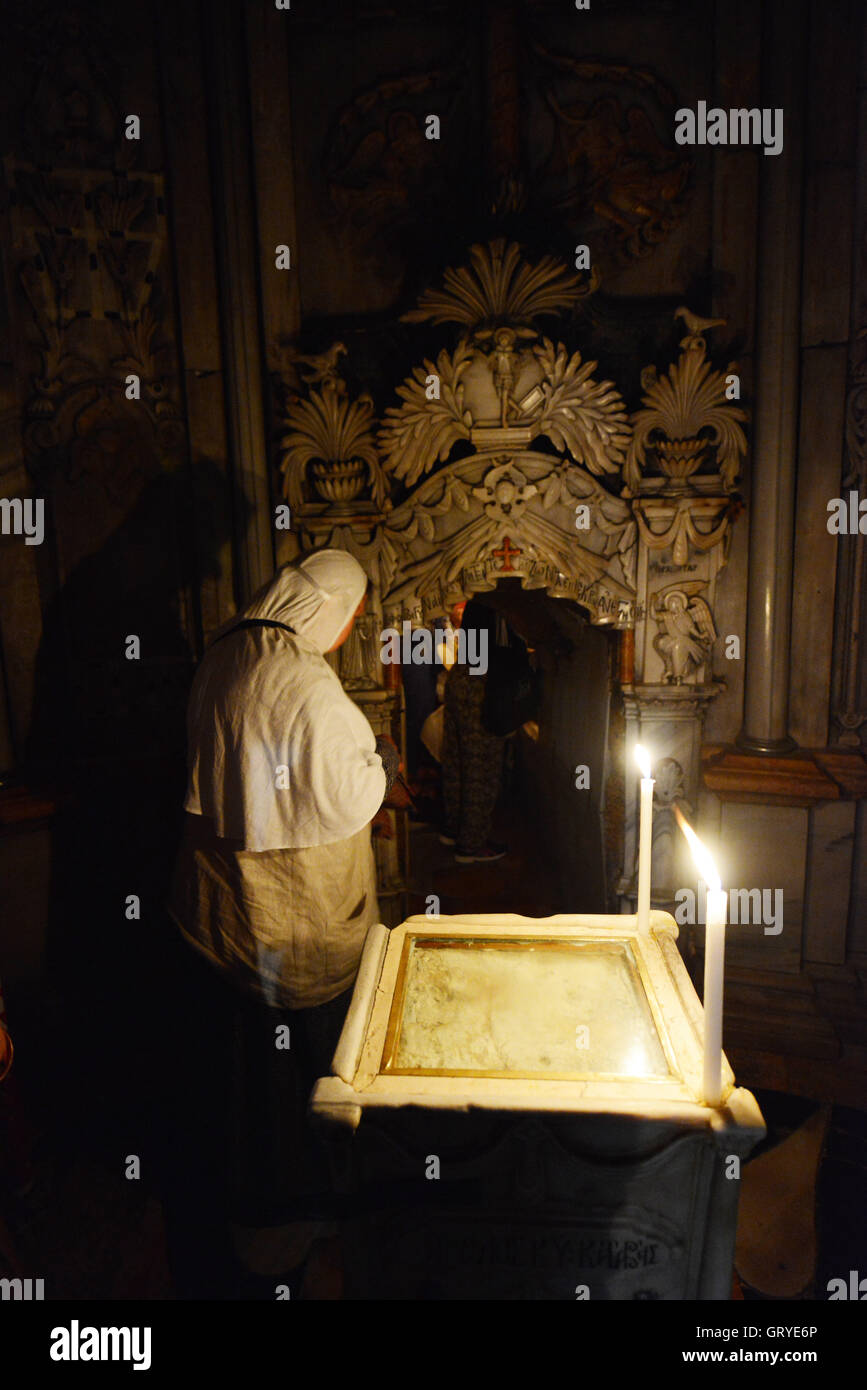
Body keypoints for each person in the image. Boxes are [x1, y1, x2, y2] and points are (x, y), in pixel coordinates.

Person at [163, 548, 399, 1298]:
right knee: (314, 1071)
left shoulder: (226, 649)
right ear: (329, 610)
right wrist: (382, 766)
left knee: (248, 1077)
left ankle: (257, 1201)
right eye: (352, 616)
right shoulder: (301, 678)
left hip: (228, 912)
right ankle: (314, 1208)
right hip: (298, 915)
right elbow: (348, 791)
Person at [440, 597, 508, 864]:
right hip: (479, 682)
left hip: (460, 676)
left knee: (456, 761)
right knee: (480, 768)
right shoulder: (494, 606)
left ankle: (452, 829)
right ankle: (471, 844)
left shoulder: (477, 605)